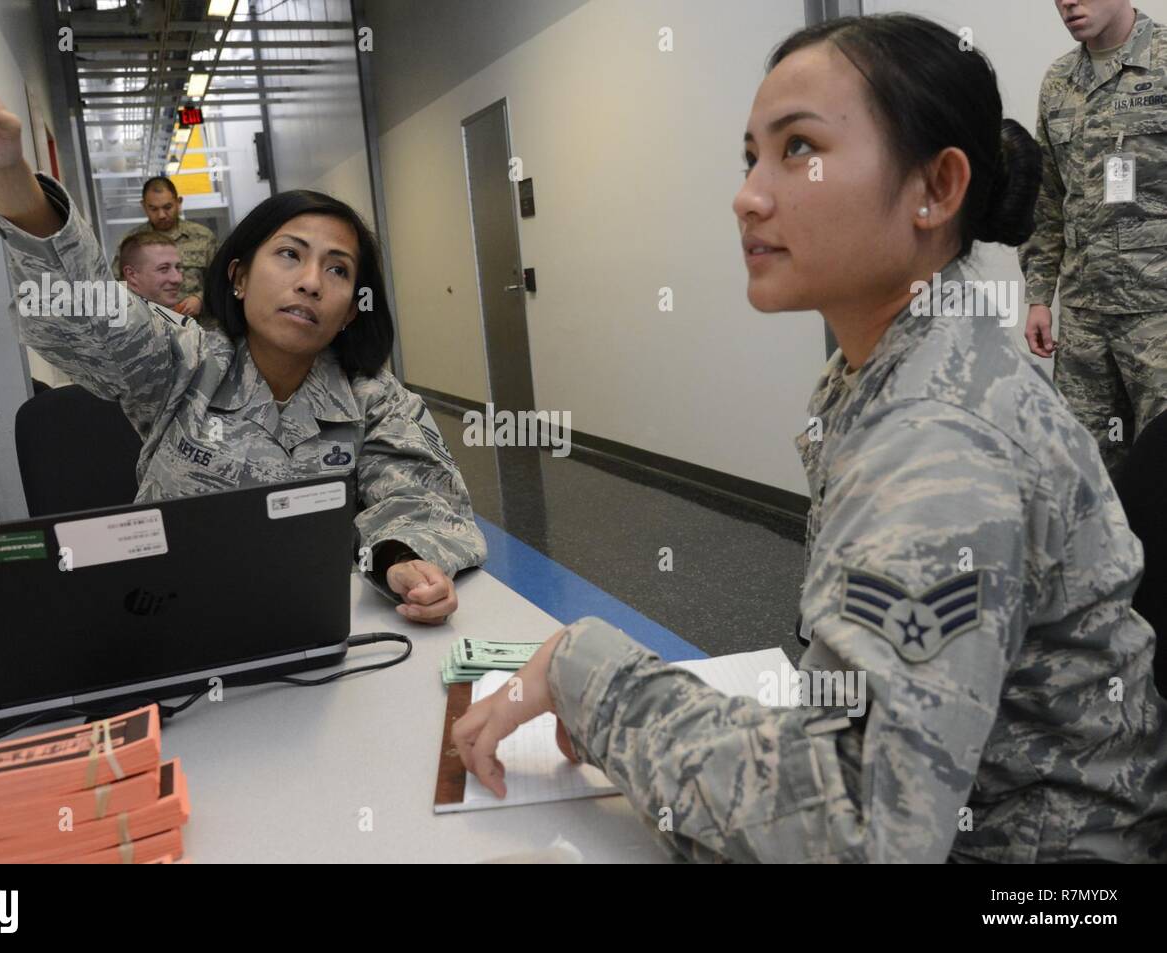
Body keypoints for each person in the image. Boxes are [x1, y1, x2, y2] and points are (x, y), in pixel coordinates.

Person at [454, 14, 1167, 862]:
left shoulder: (942, 441)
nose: (749, 193)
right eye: (750, 155)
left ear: (936, 189)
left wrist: (587, 674)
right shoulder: (892, 370)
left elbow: (860, 836)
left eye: (798, 149)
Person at [0, 9, 484, 624]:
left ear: (350, 311)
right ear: (236, 277)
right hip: (163, 622)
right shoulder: (181, 361)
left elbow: (416, 495)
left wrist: (399, 559)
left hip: (313, 629)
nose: (312, 281)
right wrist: (10, 180)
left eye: (338, 270)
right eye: (289, 255)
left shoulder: (376, 400)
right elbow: (87, 319)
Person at [1020, 1, 1167, 481]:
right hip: (1084, 322)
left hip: (1158, 321)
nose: (1068, 2)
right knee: (1082, 476)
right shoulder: (1060, 81)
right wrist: (1040, 298)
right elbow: (1046, 201)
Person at [109, 175, 218, 325]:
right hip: (153, 328)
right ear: (144, 206)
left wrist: (201, 299)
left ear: (178, 203)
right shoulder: (132, 242)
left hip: (199, 325)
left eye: (167, 207)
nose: (161, 215)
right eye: (153, 208)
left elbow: (220, 280)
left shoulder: (203, 237)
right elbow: (118, 286)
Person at [117, 231, 183, 309]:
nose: (178, 279)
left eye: (178, 267)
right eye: (164, 269)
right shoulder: (120, 318)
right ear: (131, 275)